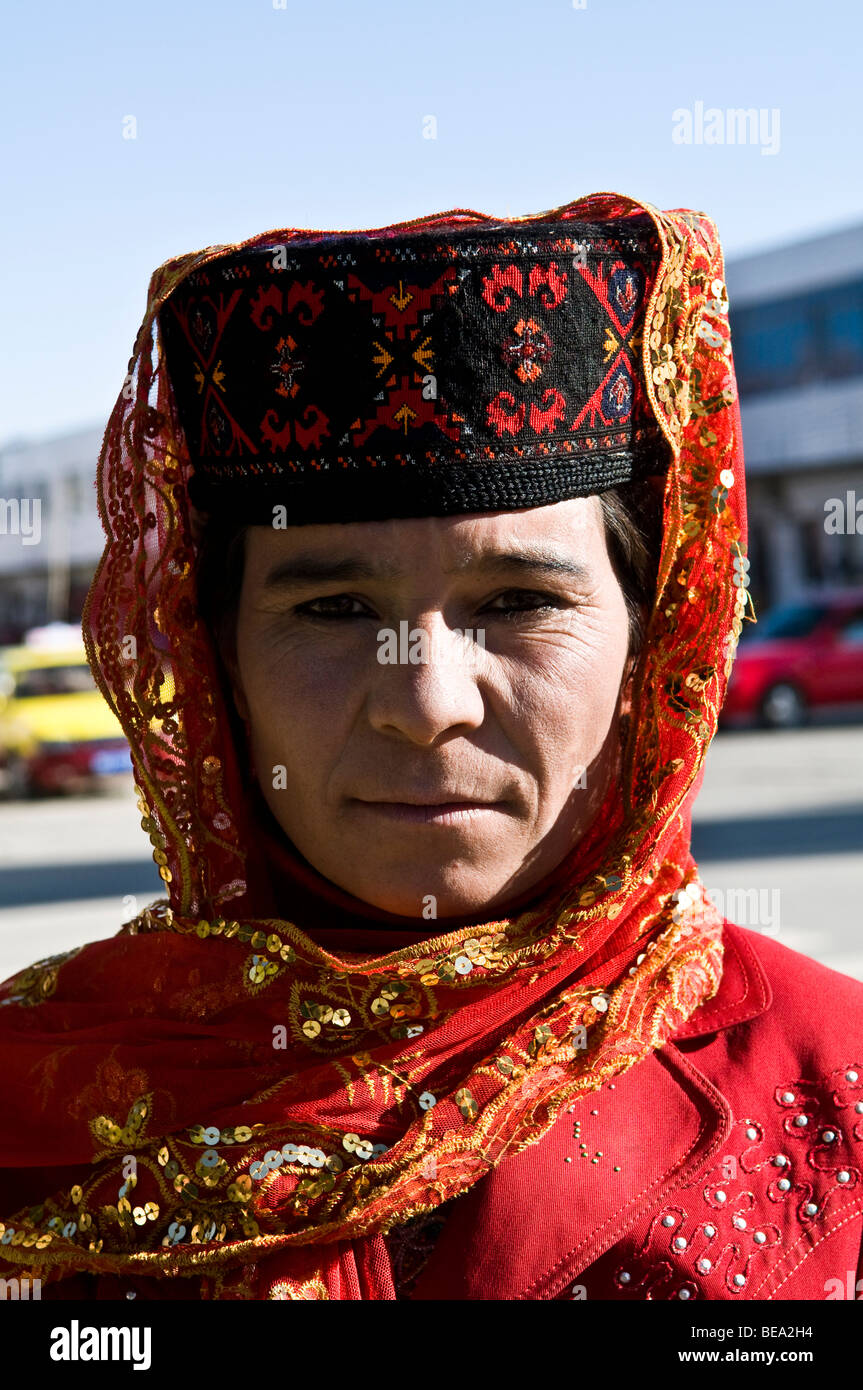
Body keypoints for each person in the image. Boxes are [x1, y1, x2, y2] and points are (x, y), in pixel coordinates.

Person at [0, 192, 861, 1302]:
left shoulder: (833, 1090)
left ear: (653, 644)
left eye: (516, 601)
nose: (425, 703)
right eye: (332, 610)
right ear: (219, 666)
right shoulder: (43, 1104)